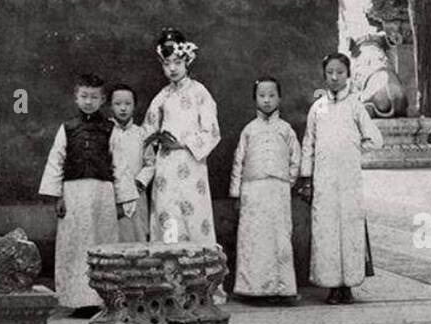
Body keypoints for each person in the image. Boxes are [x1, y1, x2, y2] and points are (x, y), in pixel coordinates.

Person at [297, 52, 384, 304]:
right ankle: (332, 285)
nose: (335, 77)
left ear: (348, 75)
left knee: (350, 229)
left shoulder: (355, 106)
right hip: (323, 180)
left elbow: (375, 139)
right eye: (330, 73)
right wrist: (306, 176)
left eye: (340, 73)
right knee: (327, 231)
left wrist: (354, 149)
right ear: (324, 75)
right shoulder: (317, 108)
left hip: (349, 180)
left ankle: (349, 285)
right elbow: (308, 144)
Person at [38, 74, 121, 315]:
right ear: (76, 98)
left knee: (101, 243)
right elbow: (56, 161)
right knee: (75, 246)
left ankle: (102, 299)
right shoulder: (68, 128)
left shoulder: (109, 129)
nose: (88, 102)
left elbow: (120, 165)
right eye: (84, 96)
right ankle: (77, 300)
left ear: (103, 99)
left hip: (102, 194)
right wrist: (57, 196)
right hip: (73, 193)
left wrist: (121, 199)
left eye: (94, 97)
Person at [136, 28, 220, 246]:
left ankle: (199, 277)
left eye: (176, 62)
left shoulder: (200, 93)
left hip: (192, 166)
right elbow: (145, 134)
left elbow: (212, 132)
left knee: (195, 220)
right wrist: (153, 140)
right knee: (169, 220)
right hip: (166, 170)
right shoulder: (161, 98)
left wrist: (182, 144)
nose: (172, 68)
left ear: (187, 61)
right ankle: (168, 276)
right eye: (166, 64)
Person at [229, 76, 301, 303]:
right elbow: (238, 162)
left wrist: (286, 183)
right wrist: (237, 193)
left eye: (271, 95)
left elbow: (295, 159)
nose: (267, 100)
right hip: (253, 191)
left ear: (279, 97)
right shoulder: (249, 130)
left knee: (279, 238)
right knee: (254, 239)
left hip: (278, 190)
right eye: (262, 96)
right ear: (254, 99)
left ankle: (282, 289)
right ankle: (253, 289)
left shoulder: (286, 129)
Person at [109, 84, 148, 243]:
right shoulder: (106, 132)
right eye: (118, 104)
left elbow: (150, 162)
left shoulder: (141, 133)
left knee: (137, 235)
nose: (123, 108)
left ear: (134, 106)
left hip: (137, 192)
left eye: (127, 104)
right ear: (110, 106)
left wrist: (140, 182)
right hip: (113, 193)